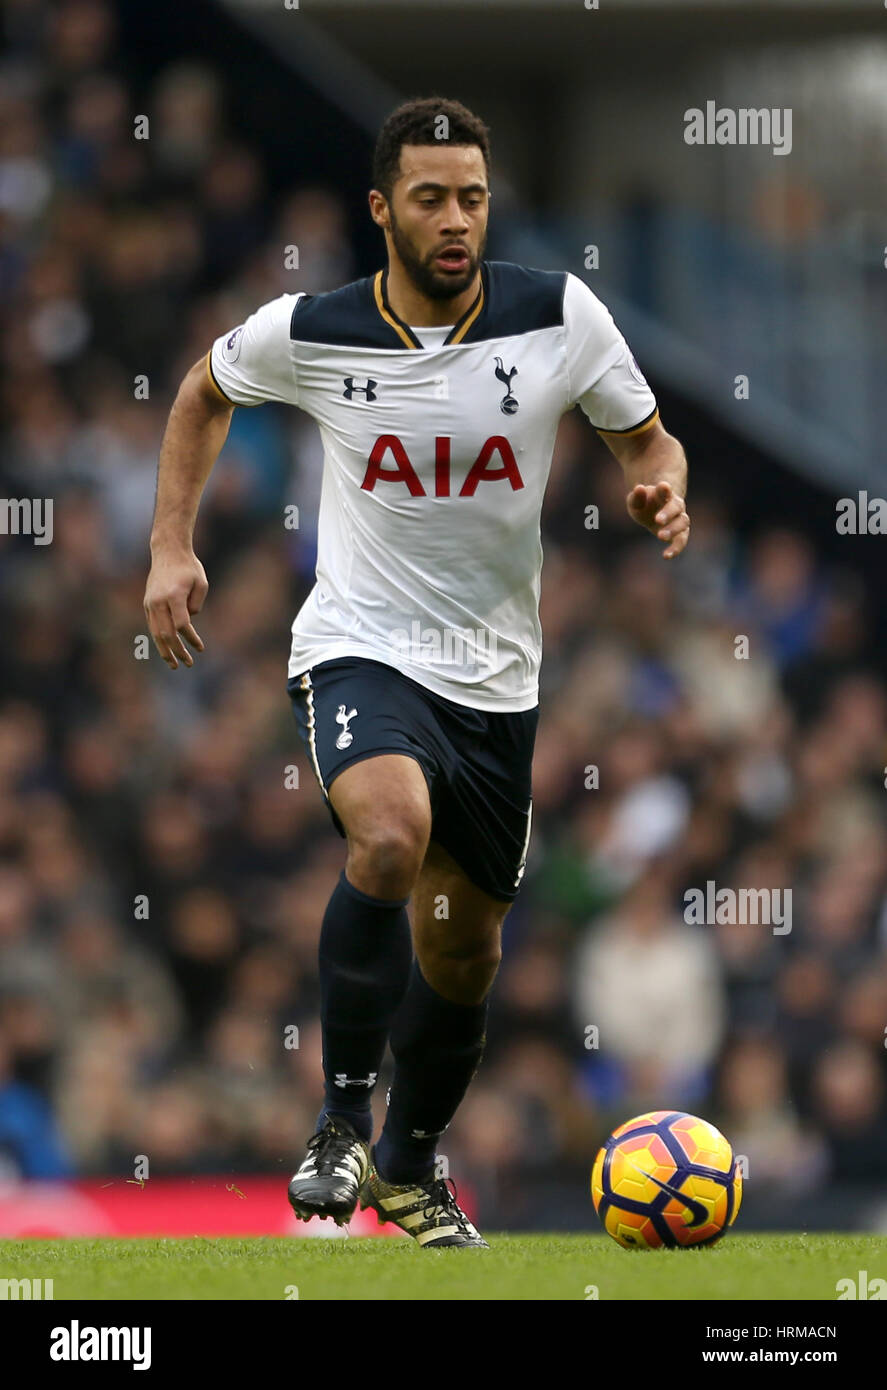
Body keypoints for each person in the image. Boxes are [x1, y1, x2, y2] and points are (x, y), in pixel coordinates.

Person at [143, 96, 690, 1248]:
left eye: (474, 198)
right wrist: (170, 547)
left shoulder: (559, 316)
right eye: (432, 198)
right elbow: (199, 392)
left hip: (496, 680)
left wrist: (662, 484)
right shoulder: (312, 329)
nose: (456, 220)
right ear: (382, 208)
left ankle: (407, 1163)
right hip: (361, 642)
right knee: (386, 836)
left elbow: (646, 437)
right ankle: (341, 1120)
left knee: (464, 946)